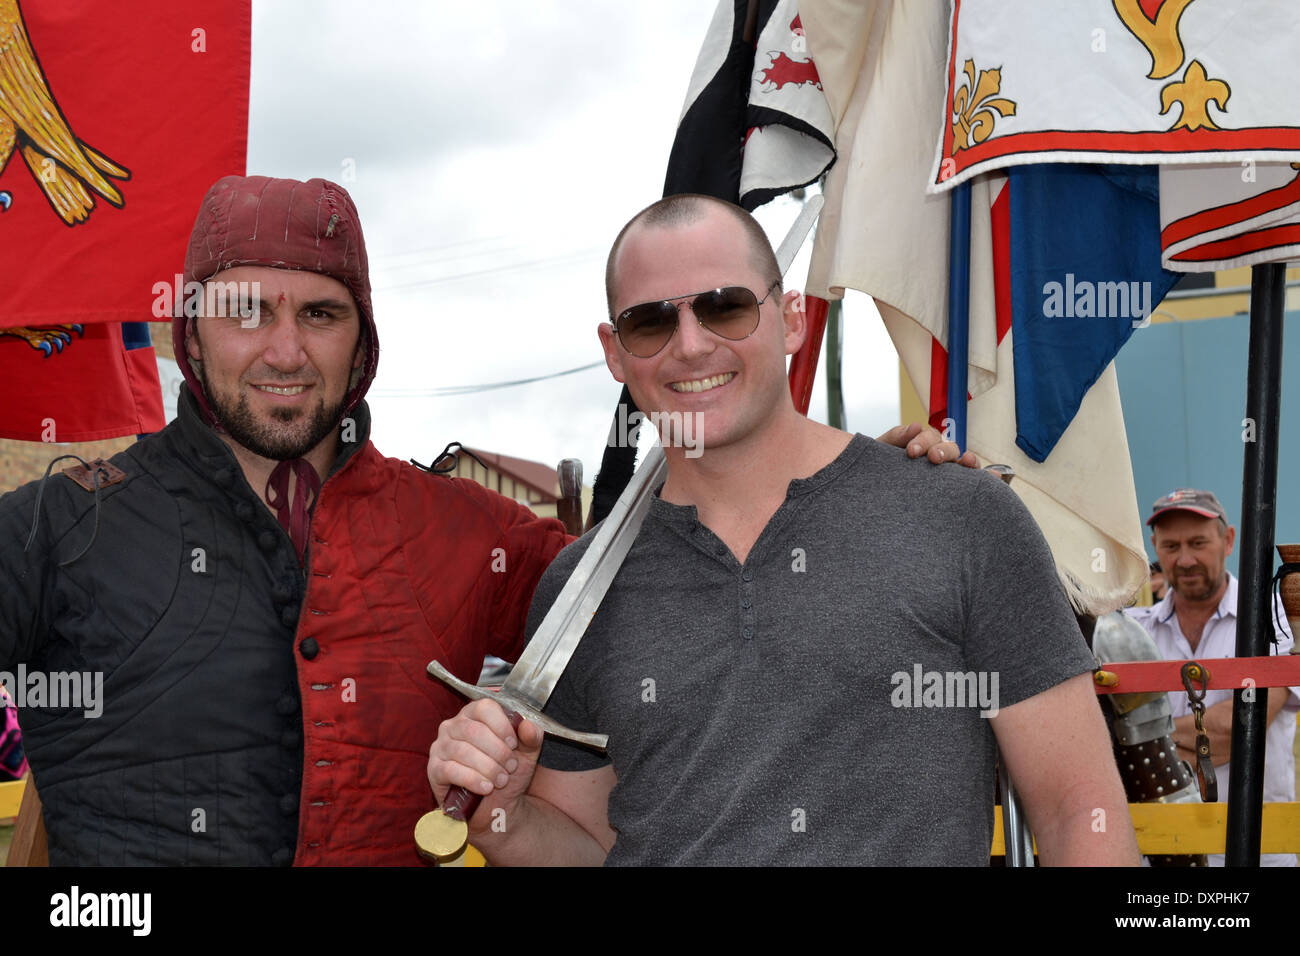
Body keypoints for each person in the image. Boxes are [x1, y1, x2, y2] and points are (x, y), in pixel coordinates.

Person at [0, 176, 961, 866]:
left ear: (362, 341)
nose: (284, 350)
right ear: (191, 330)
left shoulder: (478, 540)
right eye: (247, 311)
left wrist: (850, 486)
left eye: (322, 315)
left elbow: (684, 583)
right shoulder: (55, 530)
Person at [426, 194, 1140, 866]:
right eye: (651, 322)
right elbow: (592, 847)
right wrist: (507, 818)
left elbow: (1080, 813)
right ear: (616, 353)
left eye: (725, 308)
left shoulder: (958, 518)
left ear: (792, 319)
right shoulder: (578, 589)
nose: (690, 345)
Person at [1125, 488, 1299, 867]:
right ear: (1154, 546)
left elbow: (1239, 730)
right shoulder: (1131, 632)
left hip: (1259, 853)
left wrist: (1138, 742)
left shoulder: (1279, 620)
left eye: (1198, 543)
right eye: (1171, 546)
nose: (1185, 559)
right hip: (1162, 854)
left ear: (1229, 540)